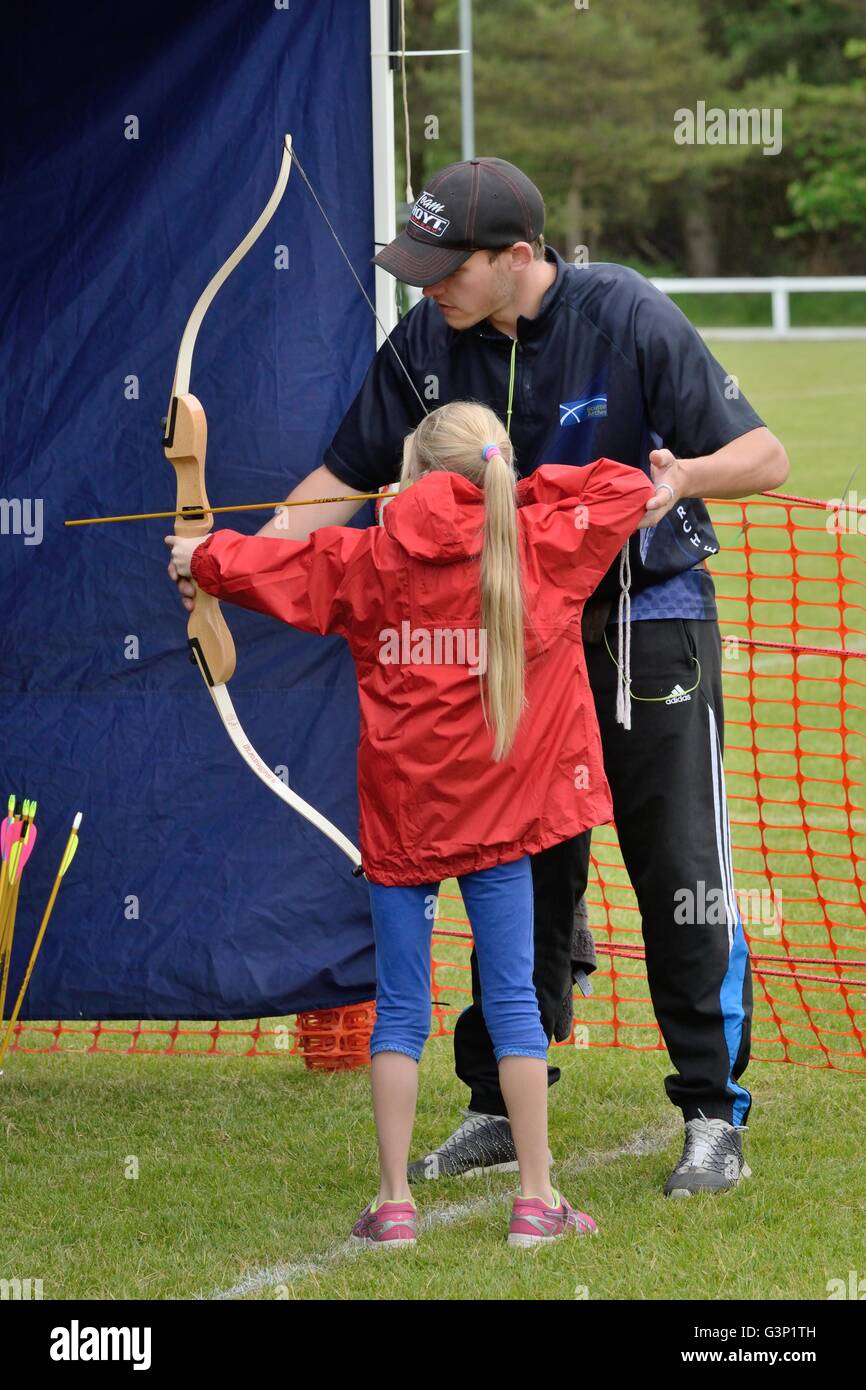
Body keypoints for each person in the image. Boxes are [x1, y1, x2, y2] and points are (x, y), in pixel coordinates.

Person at [171, 156, 789, 1198]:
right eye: (415, 268)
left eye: (444, 267)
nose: (425, 287)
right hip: (504, 642)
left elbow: (763, 456)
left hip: (643, 624)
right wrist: (243, 551)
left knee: (674, 865)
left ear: (517, 258)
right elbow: (345, 478)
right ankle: (501, 1102)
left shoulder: (622, 312)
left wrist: (678, 476)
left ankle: (708, 1112)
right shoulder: (424, 340)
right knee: (514, 860)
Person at [166, 400, 654, 1247]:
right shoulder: (538, 543)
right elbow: (625, 485)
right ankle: (537, 1201)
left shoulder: (369, 556)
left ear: (413, 474)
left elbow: (278, 568)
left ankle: (394, 1205)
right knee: (512, 1003)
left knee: (399, 1010)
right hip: (501, 823)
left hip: (404, 826)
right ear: (488, 472)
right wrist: (516, 484)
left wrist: (203, 557)